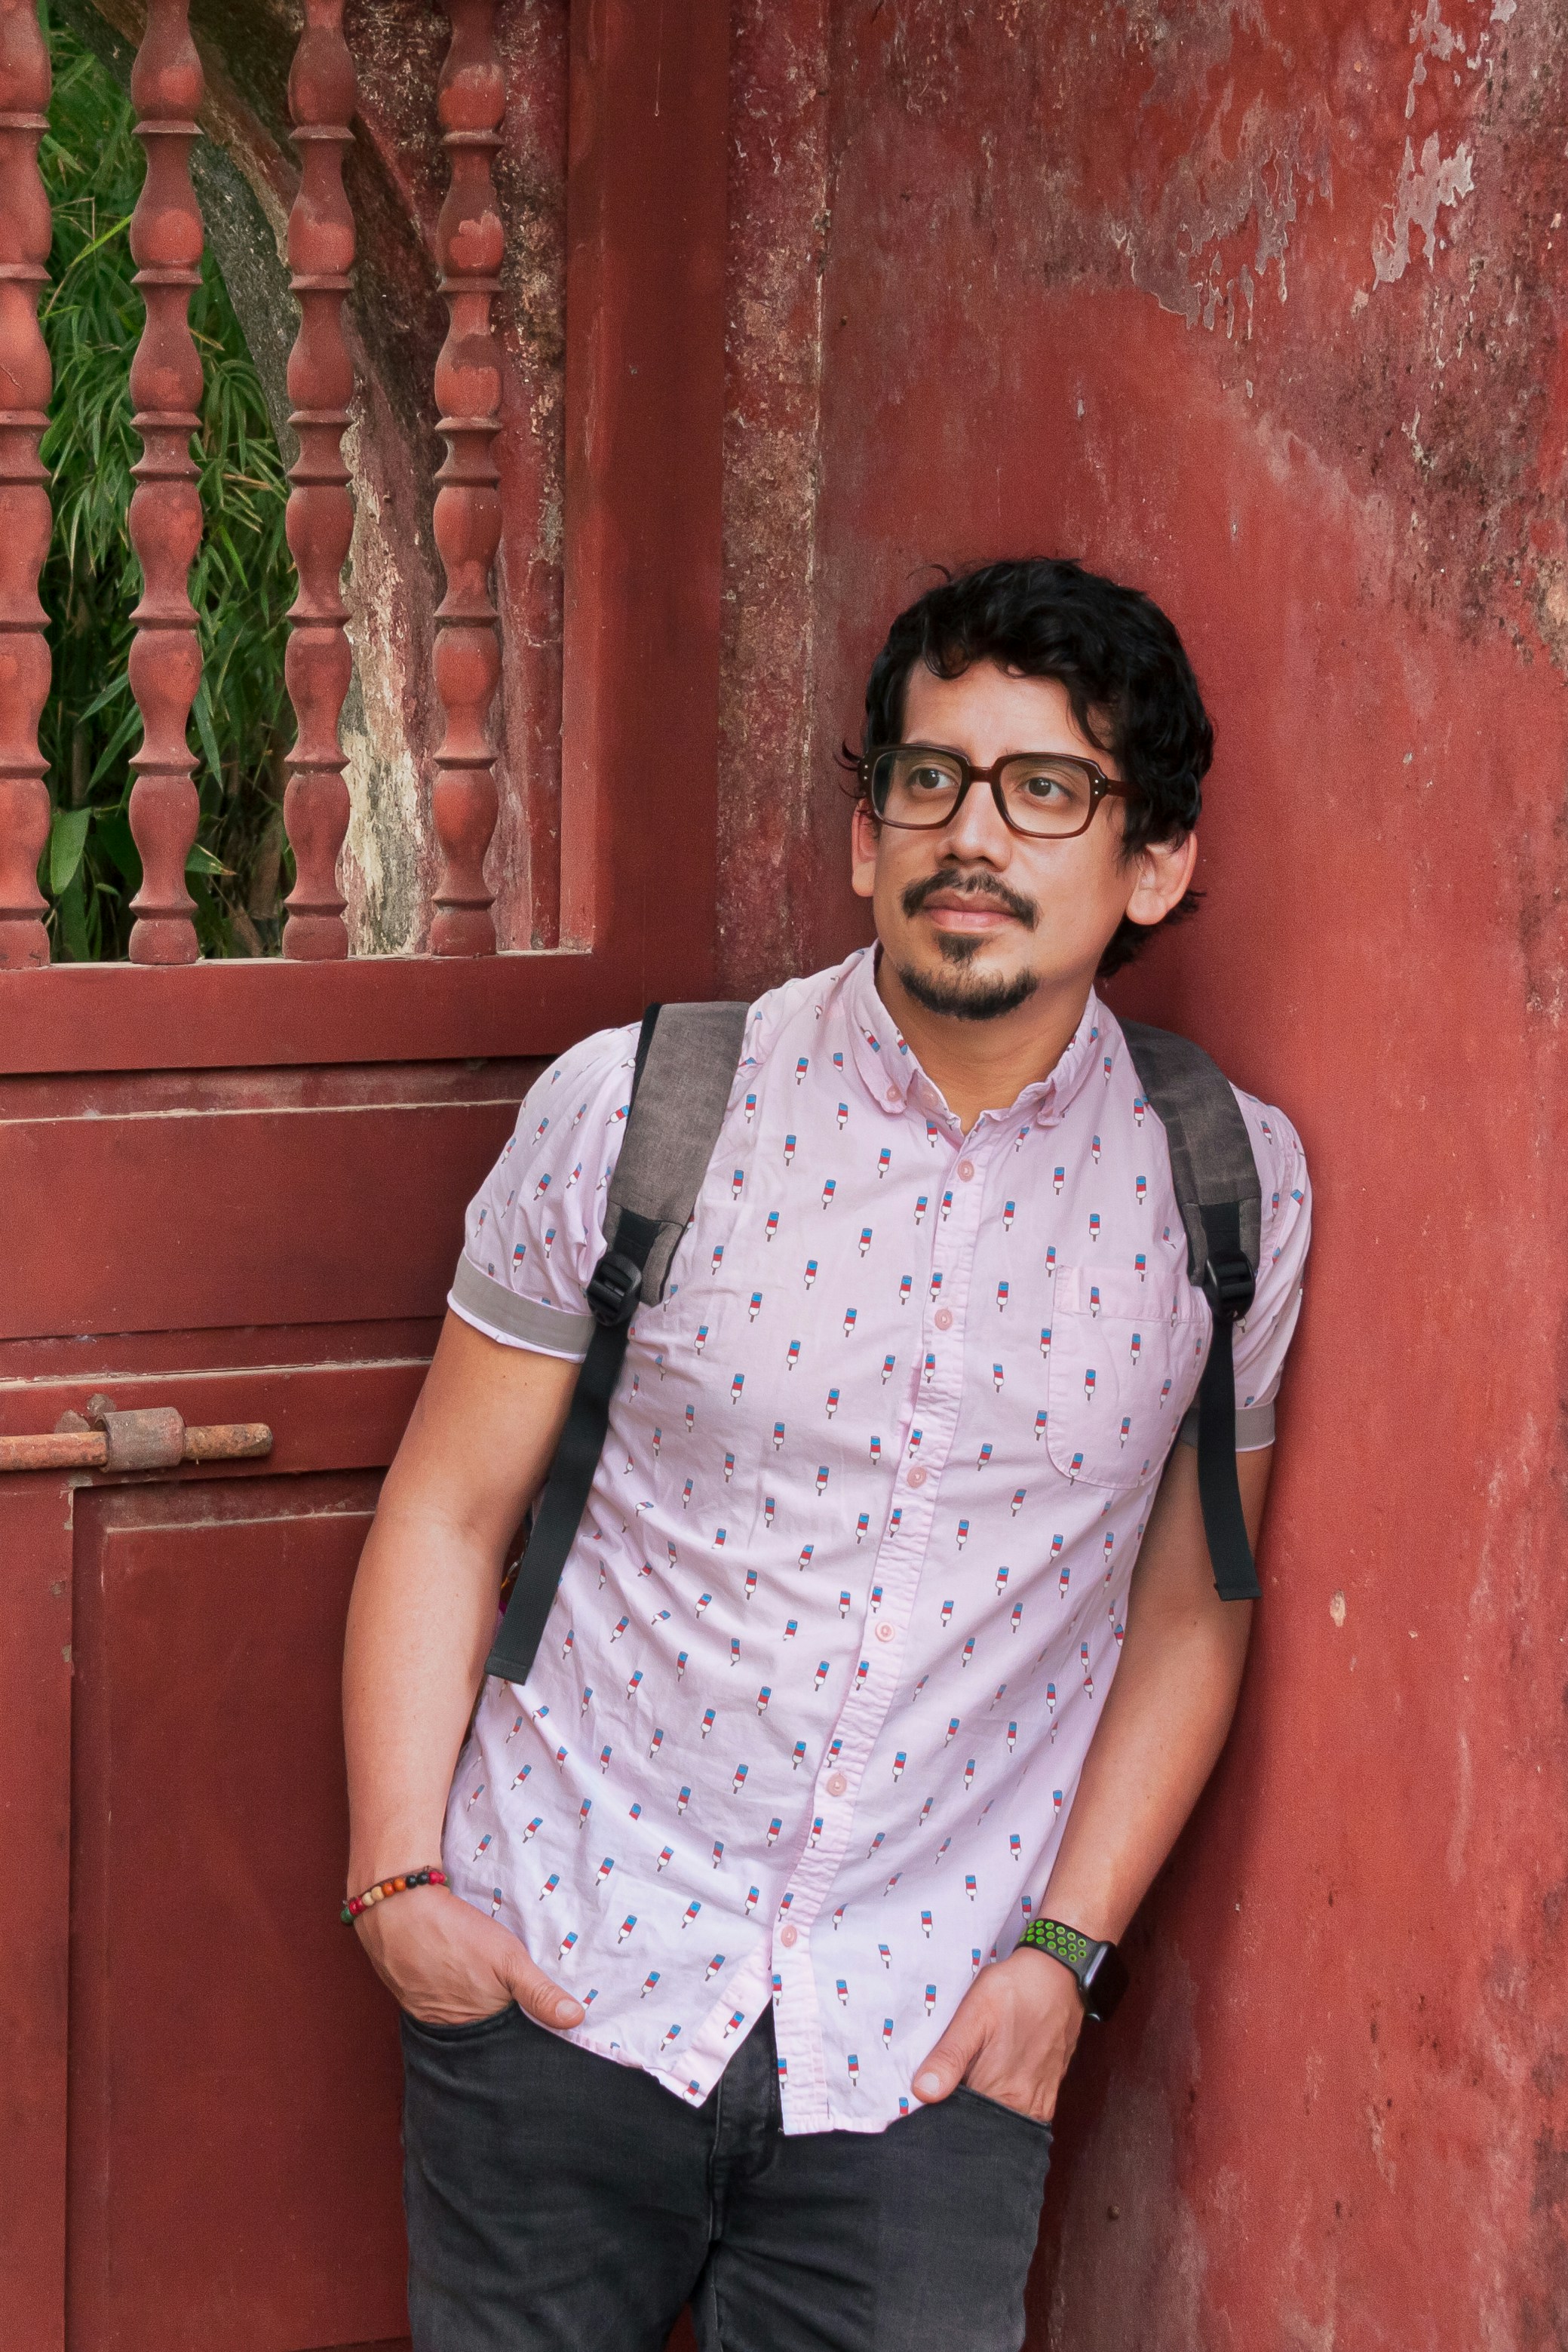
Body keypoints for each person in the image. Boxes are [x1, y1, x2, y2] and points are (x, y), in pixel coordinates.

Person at [342, 556, 1311, 2352]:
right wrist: (404, 1885)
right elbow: (445, 1504)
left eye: (1047, 790)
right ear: (863, 830)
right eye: (927, 781)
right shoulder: (640, 1109)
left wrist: (1060, 1961)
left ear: (1153, 860)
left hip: (928, 2051)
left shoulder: (1223, 1186)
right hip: (566, 1975)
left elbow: (1193, 1604)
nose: (972, 838)